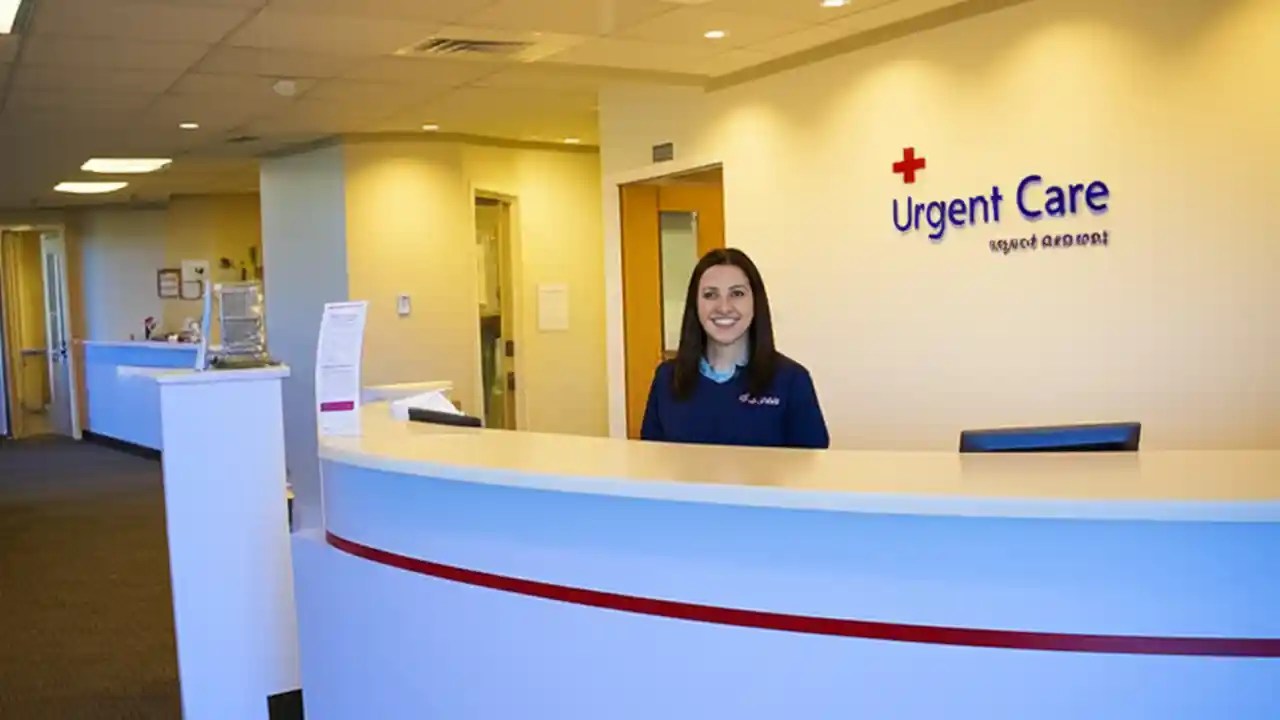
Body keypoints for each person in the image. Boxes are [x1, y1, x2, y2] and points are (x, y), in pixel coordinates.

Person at [640, 247, 830, 449]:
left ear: (755, 302)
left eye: (737, 293)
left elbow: (811, 470)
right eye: (710, 294)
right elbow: (652, 464)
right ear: (695, 304)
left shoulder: (792, 380)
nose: (724, 307)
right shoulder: (667, 378)